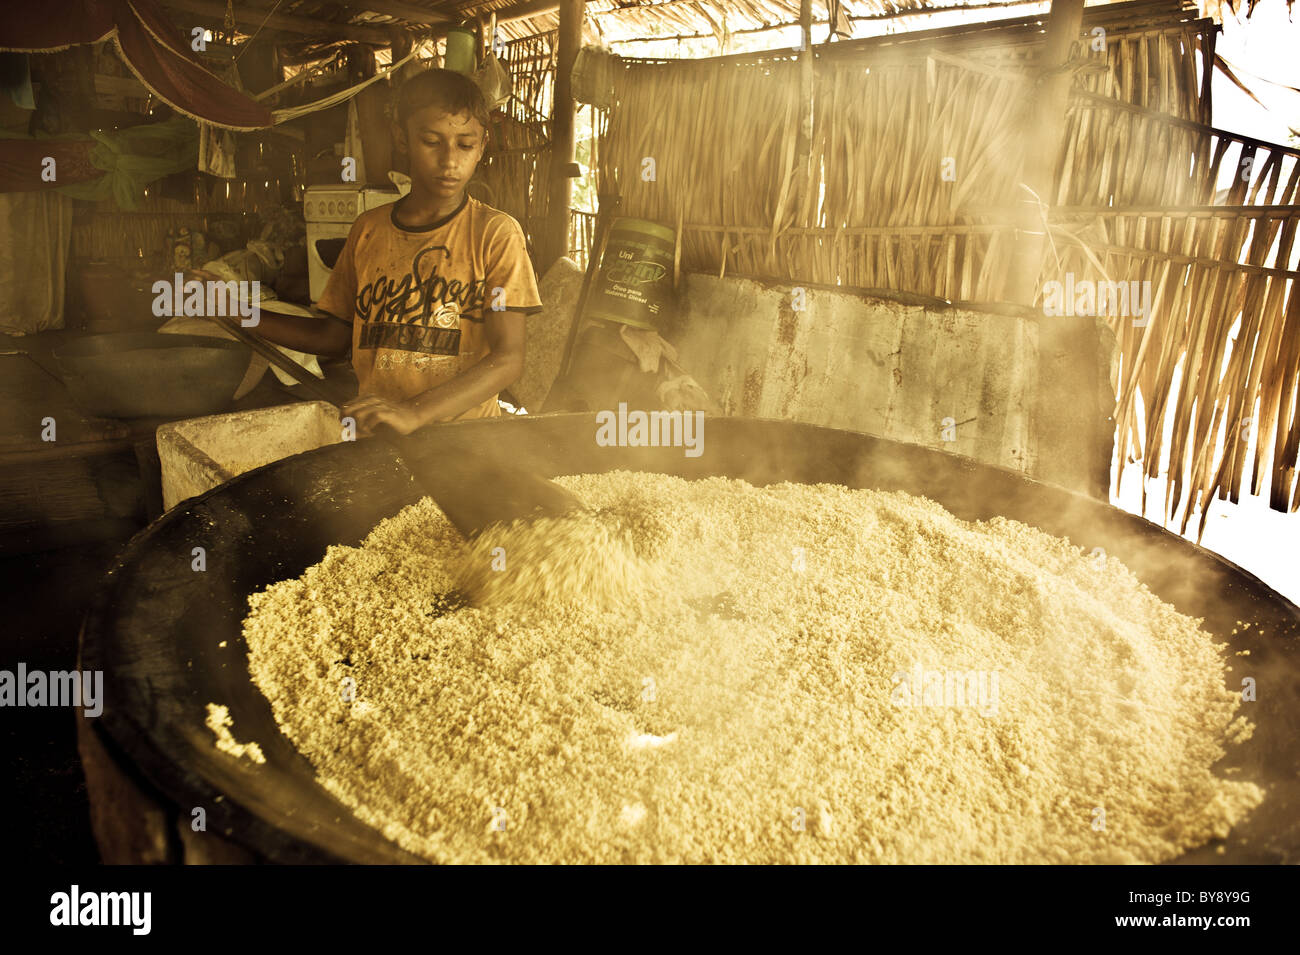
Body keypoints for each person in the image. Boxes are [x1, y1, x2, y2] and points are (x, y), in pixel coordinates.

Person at [252, 68, 542, 434]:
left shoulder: (495, 234)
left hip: (465, 439)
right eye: (431, 141)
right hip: (381, 433)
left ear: (482, 147)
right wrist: (235, 313)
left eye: (465, 145)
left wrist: (416, 412)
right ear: (401, 139)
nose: (450, 160)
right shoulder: (368, 230)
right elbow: (333, 338)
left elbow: (508, 358)